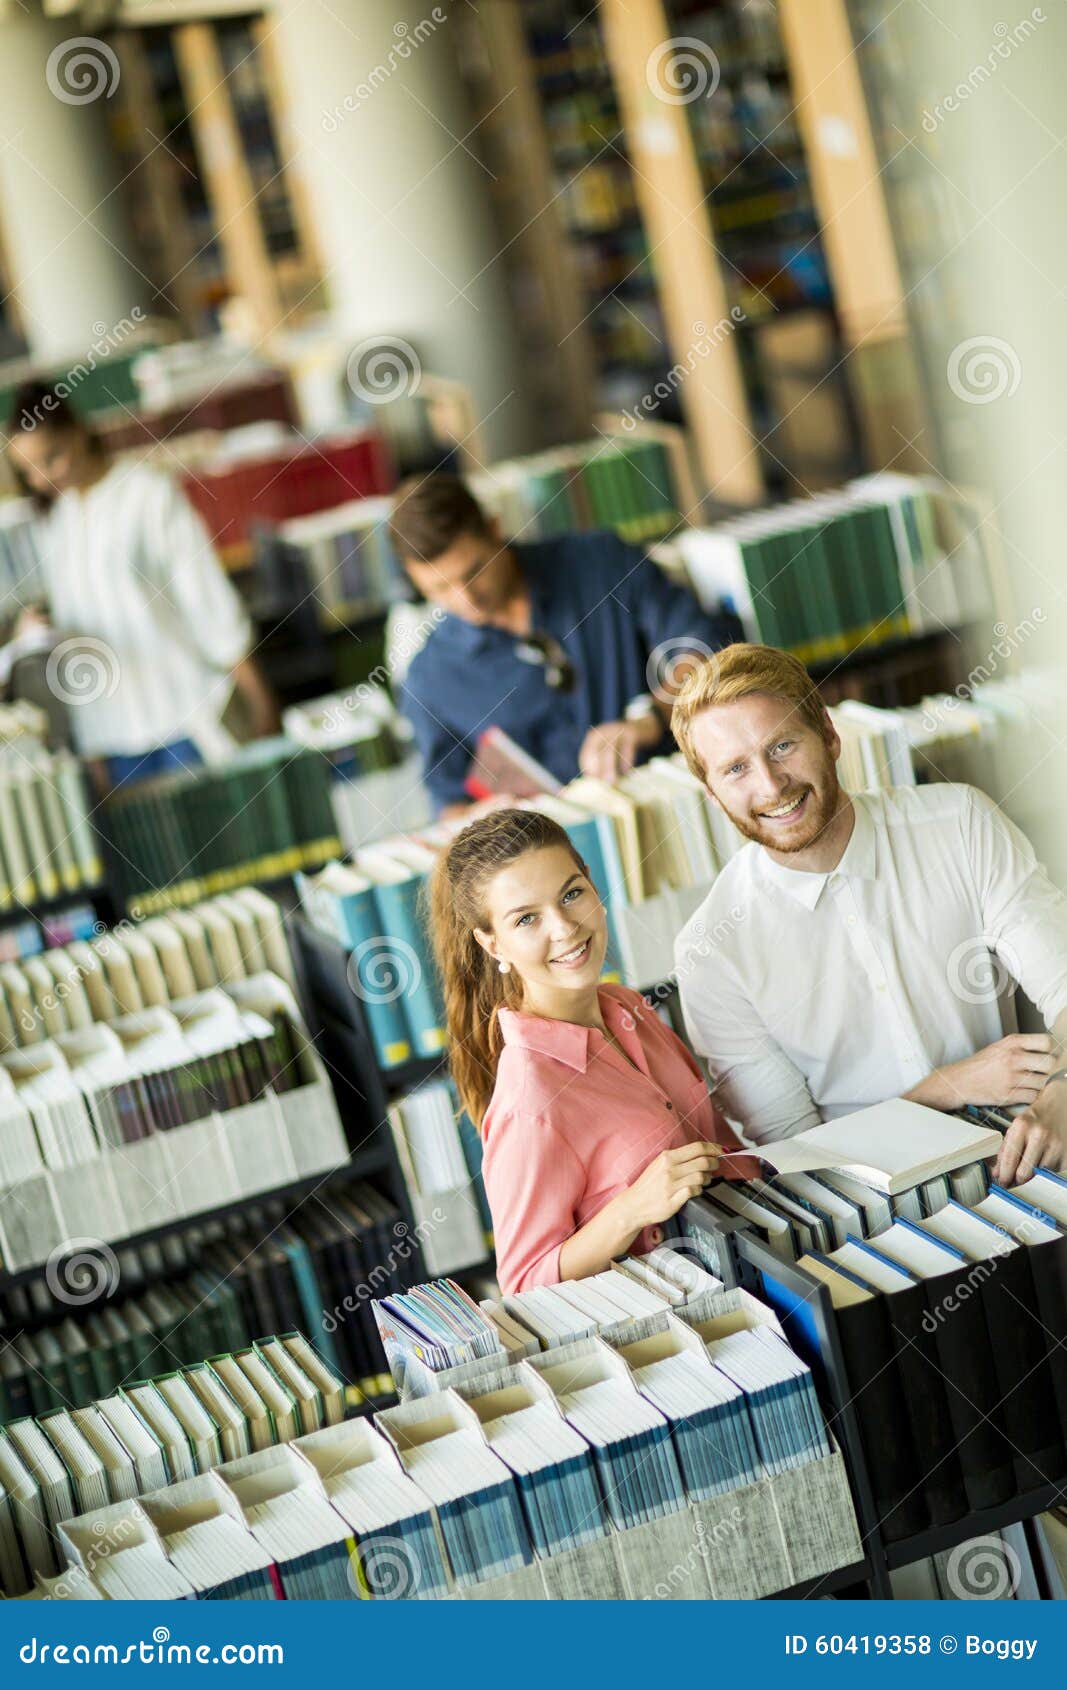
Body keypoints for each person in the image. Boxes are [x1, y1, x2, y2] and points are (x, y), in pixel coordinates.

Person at [670, 643, 1067, 1188]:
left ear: (829, 737)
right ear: (713, 796)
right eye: (736, 769)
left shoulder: (959, 821)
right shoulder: (710, 951)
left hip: (1019, 1152)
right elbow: (797, 1155)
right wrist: (943, 1088)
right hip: (869, 1207)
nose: (770, 785)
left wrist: (1063, 1087)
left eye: (782, 745)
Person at [428, 806, 759, 1293]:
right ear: (492, 944)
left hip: (751, 1259)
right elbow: (524, 1287)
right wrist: (630, 1210)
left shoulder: (629, 1008)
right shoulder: (529, 1103)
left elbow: (721, 1147)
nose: (563, 928)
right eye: (526, 919)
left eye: (571, 894)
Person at [391, 473, 739, 818]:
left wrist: (652, 716)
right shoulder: (429, 680)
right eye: (439, 589)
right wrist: (480, 816)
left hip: (685, 802)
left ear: (495, 529)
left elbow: (702, 650)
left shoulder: (601, 562)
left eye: (474, 572)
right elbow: (447, 805)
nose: (467, 599)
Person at [5, 382, 277, 791]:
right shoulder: (56, 523)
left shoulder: (146, 492)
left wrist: (259, 698)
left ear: (78, 432)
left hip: (184, 721)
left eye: (52, 458)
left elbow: (206, 598)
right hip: (113, 742)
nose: (43, 480)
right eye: (29, 471)